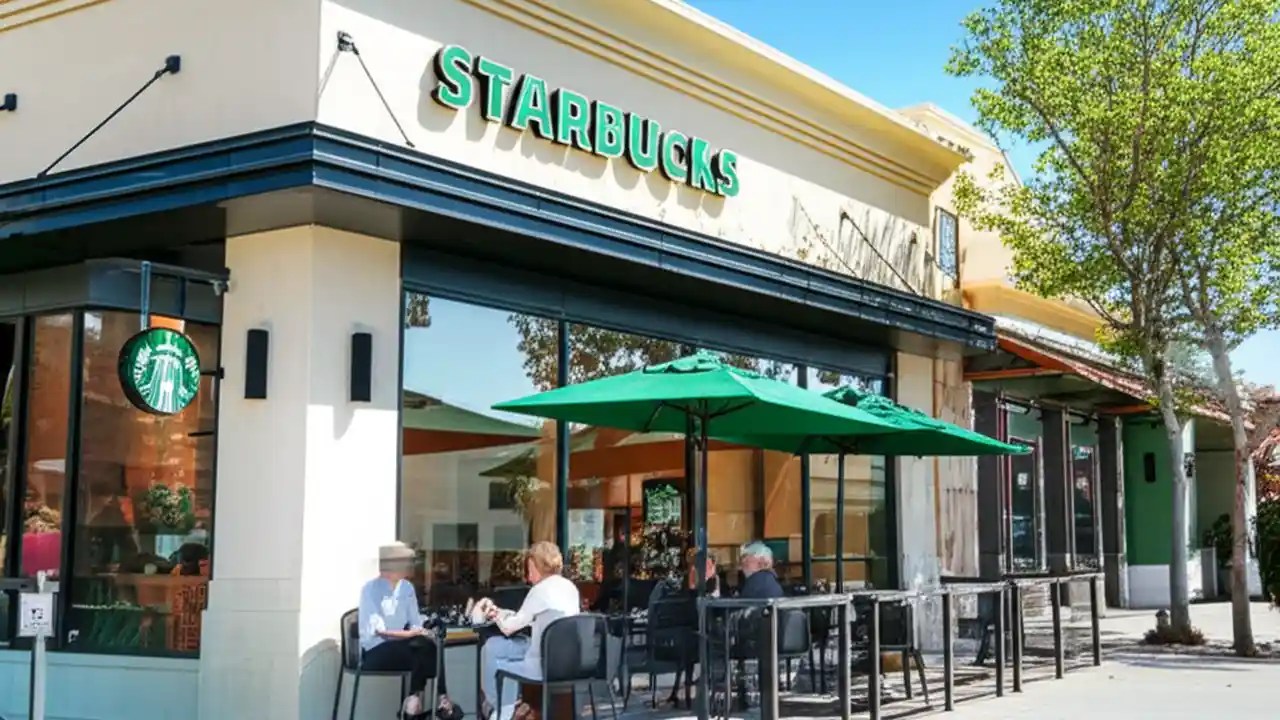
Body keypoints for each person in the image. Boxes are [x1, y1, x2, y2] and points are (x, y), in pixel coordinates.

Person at [480, 541, 581, 720]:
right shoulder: (570, 587)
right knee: (504, 647)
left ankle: (498, 710)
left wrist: (494, 614)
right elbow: (546, 619)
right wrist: (508, 614)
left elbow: (508, 628)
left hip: (542, 666)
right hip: (567, 663)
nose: (528, 576)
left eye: (530, 568)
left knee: (492, 648)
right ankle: (515, 707)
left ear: (536, 565)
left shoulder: (539, 590)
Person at [358, 542, 457, 719]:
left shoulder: (406, 587)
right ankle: (425, 702)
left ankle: (417, 702)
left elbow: (415, 621)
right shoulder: (370, 590)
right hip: (376, 650)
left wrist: (426, 628)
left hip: (402, 644)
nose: (410, 566)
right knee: (421, 650)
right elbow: (381, 632)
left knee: (432, 644)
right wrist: (413, 634)